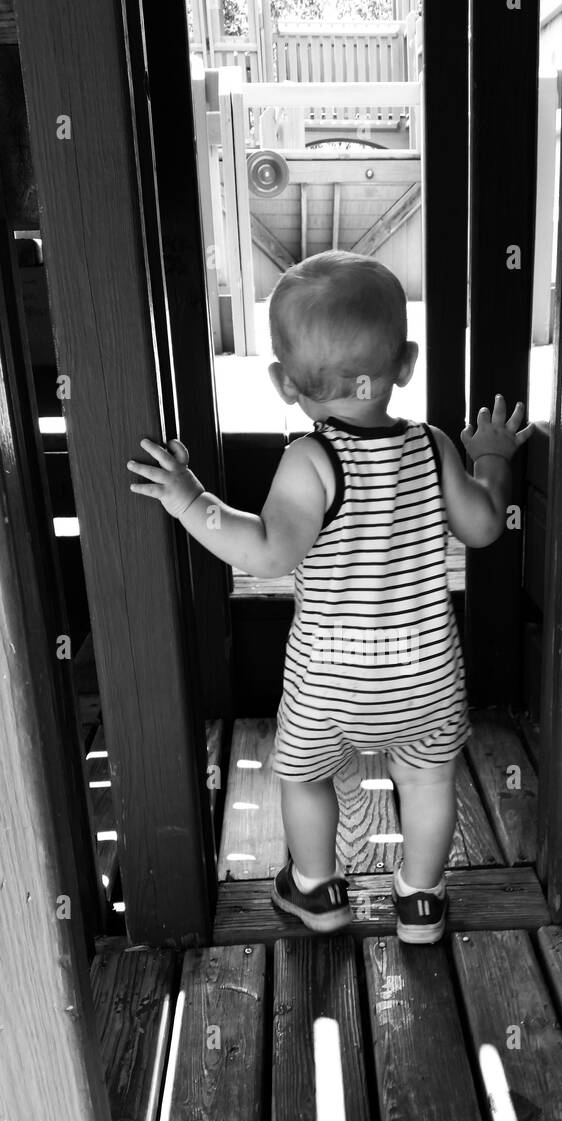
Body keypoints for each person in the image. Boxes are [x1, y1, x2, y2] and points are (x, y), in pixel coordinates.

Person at [127, 251, 533, 944]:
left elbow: (267, 552)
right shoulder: (432, 445)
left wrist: (191, 501)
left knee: (305, 777)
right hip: (424, 676)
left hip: (332, 679)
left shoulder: (309, 460)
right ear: (404, 365)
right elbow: (484, 526)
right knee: (428, 783)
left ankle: (316, 890)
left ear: (285, 383)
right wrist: (490, 457)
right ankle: (421, 902)